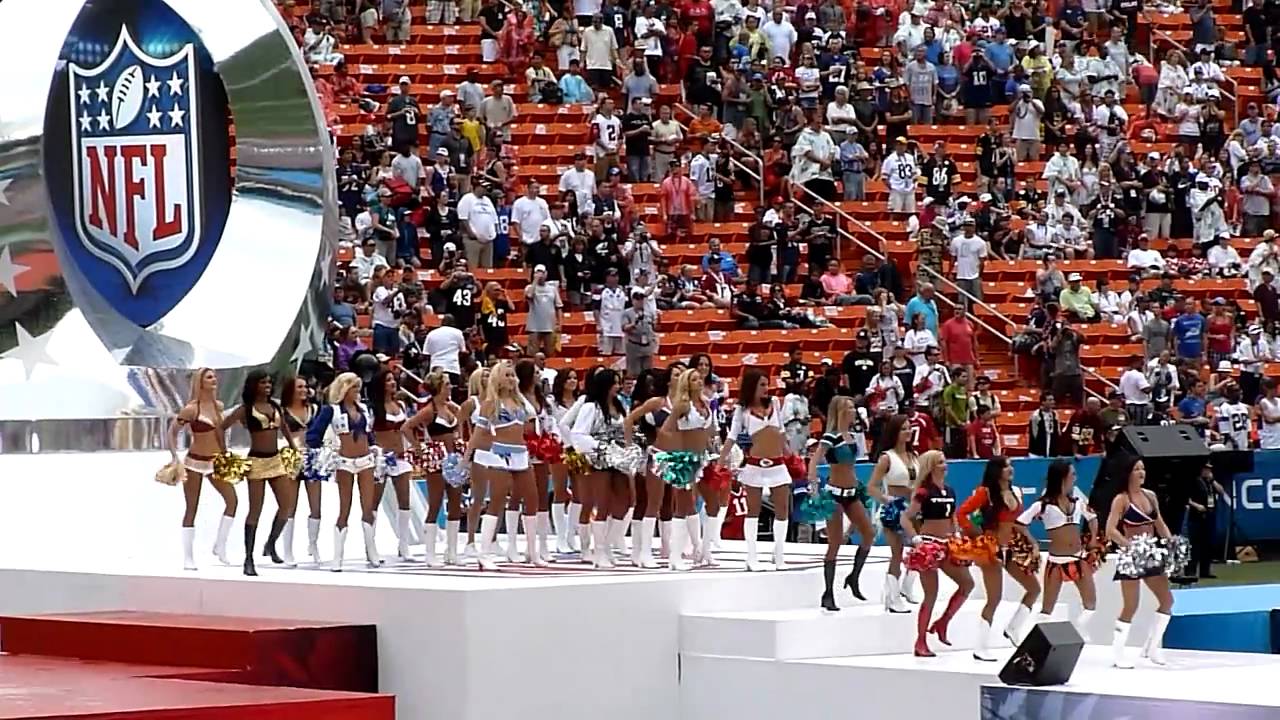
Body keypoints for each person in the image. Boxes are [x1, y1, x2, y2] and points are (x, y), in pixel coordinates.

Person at [958, 456, 1042, 661]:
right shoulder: (985, 493)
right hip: (991, 550)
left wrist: (1031, 542)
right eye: (1005, 466)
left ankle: (1013, 628)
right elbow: (961, 514)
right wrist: (979, 538)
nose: (1010, 469)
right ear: (996, 471)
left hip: (1012, 549)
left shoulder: (1016, 492)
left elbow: (1017, 523)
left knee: (1034, 588)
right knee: (994, 598)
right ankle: (980, 646)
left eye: (1010, 465)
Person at [464, 361, 542, 569]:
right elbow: (478, 433)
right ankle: (484, 553)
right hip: (499, 454)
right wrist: (466, 457)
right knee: (497, 501)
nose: (511, 379)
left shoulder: (520, 402)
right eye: (506, 375)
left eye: (512, 375)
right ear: (497, 378)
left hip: (521, 454)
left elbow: (532, 422)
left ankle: (533, 551)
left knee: (532, 499)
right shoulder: (491, 403)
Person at [807, 396, 881, 609]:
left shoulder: (853, 436)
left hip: (852, 492)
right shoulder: (831, 436)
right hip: (833, 494)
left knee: (868, 533)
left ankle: (854, 577)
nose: (853, 411)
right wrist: (813, 486)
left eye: (853, 407)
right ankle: (828, 593)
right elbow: (814, 460)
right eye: (849, 408)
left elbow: (851, 466)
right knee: (835, 542)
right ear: (839, 411)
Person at [222, 371, 299, 577]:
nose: (267, 385)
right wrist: (225, 453)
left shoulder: (275, 406)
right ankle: (249, 558)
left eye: (268, 382)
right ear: (253, 385)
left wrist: (293, 447)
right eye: (262, 382)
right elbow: (221, 427)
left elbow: (284, 427)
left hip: (276, 460)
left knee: (287, 505)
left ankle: (271, 543)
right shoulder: (245, 409)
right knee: (255, 509)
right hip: (256, 461)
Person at [1105, 456, 1178, 668]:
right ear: (1128, 473)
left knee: (1167, 601)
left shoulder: (1151, 496)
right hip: (1131, 555)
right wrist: (1127, 544)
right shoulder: (1121, 499)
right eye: (1136, 469)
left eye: (1143, 469)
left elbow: (1160, 524)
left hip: (1151, 553)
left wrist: (1172, 543)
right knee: (1131, 605)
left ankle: (1153, 648)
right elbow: (1110, 530)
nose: (1141, 473)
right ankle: (1118, 652)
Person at [902, 449, 975, 657]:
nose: (946, 465)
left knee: (967, 584)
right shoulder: (924, 492)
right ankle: (920, 641)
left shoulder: (950, 490)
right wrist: (915, 539)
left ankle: (943, 622)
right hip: (929, 546)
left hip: (948, 545)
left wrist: (958, 534)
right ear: (932, 466)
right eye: (941, 462)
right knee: (930, 595)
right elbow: (906, 518)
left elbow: (952, 517)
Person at [1016, 460, 1100, 639]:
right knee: (1047, 609)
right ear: (1063, 477)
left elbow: (1092, 518)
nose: (1075, 478)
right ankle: (1030, 639)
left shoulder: (1077, 502)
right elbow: (1020, 523)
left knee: (1091, 605)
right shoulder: (1043, 505)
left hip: (1078, 560)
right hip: (1056, 562)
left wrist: (1093, 538)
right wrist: (1034, 543)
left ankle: (1077, 630)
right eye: (1073, 474)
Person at [719, 368, 791, 572]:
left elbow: (782, 433)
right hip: (755, 466)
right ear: (752, 386)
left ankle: (778, 555)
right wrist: (721, 462)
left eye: (767, 384)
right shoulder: (742, 410)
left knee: (783, 510)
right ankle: (751, 557)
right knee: (753, 512)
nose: (766, 388)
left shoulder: (775, 404)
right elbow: (732, 437)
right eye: (761, 384)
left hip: (778, 465)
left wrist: (791, 456)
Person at [306, 373, 379, 571]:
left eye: (358, 387)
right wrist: (326, 451)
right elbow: (313, 434)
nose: (357, 392)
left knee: (368, 507)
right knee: (344, 508)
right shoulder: (331, 410)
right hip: (344, 462)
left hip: (366, 461)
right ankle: (337, 557)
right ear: (344, 389)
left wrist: (374, 446)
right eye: (353, 388)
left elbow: (369, 433)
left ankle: (371, 551)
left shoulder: (363, 408)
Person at [167, 369, 236, 571]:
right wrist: (174, 457)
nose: (214, 379)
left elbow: (220, 434)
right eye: (209, 377)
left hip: (215, 462)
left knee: (232, 501)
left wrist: (226, 454)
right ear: (200, 382)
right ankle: (188, 557)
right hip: (194, 463)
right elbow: (172, 432)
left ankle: (220, 546)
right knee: (191, 508)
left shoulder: (218, 406)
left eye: (214, 376)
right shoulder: (191, 409)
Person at [569, 368, 636, 568]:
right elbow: (578, 434)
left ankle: (607, 545)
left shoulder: (620, 404)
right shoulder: (591, 407)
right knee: (603, 504)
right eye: (614, 382)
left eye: (619, 382)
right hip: (599, 459)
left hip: (619, 458)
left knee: (625, 502)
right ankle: (597, 551)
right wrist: (600, 447)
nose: (618, 386)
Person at [866, 415, 921, 613]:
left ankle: (907, 585)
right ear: (895, 432)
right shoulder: (886, 458)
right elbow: (871, 486)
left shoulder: (915, 457)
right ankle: (893, 596)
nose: (908, 432)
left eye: (909, 428)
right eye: (904, 429)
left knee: (919, 548)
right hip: (894, 508)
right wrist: (886, 500)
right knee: (897, 552)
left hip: (914, 507)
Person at [1186, 463, 1225, 580]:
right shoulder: (1195, 481)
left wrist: (1212, 480)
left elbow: (1221, 491)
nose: (1208, 472)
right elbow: (1186, 498)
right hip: (1196, 516)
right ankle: (1190, 571)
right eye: (1206, 470)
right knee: (1195, 545)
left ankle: (1205, 570)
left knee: (1208, 545)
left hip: (1209, 515)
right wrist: (1196, 505)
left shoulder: (1210, 482)